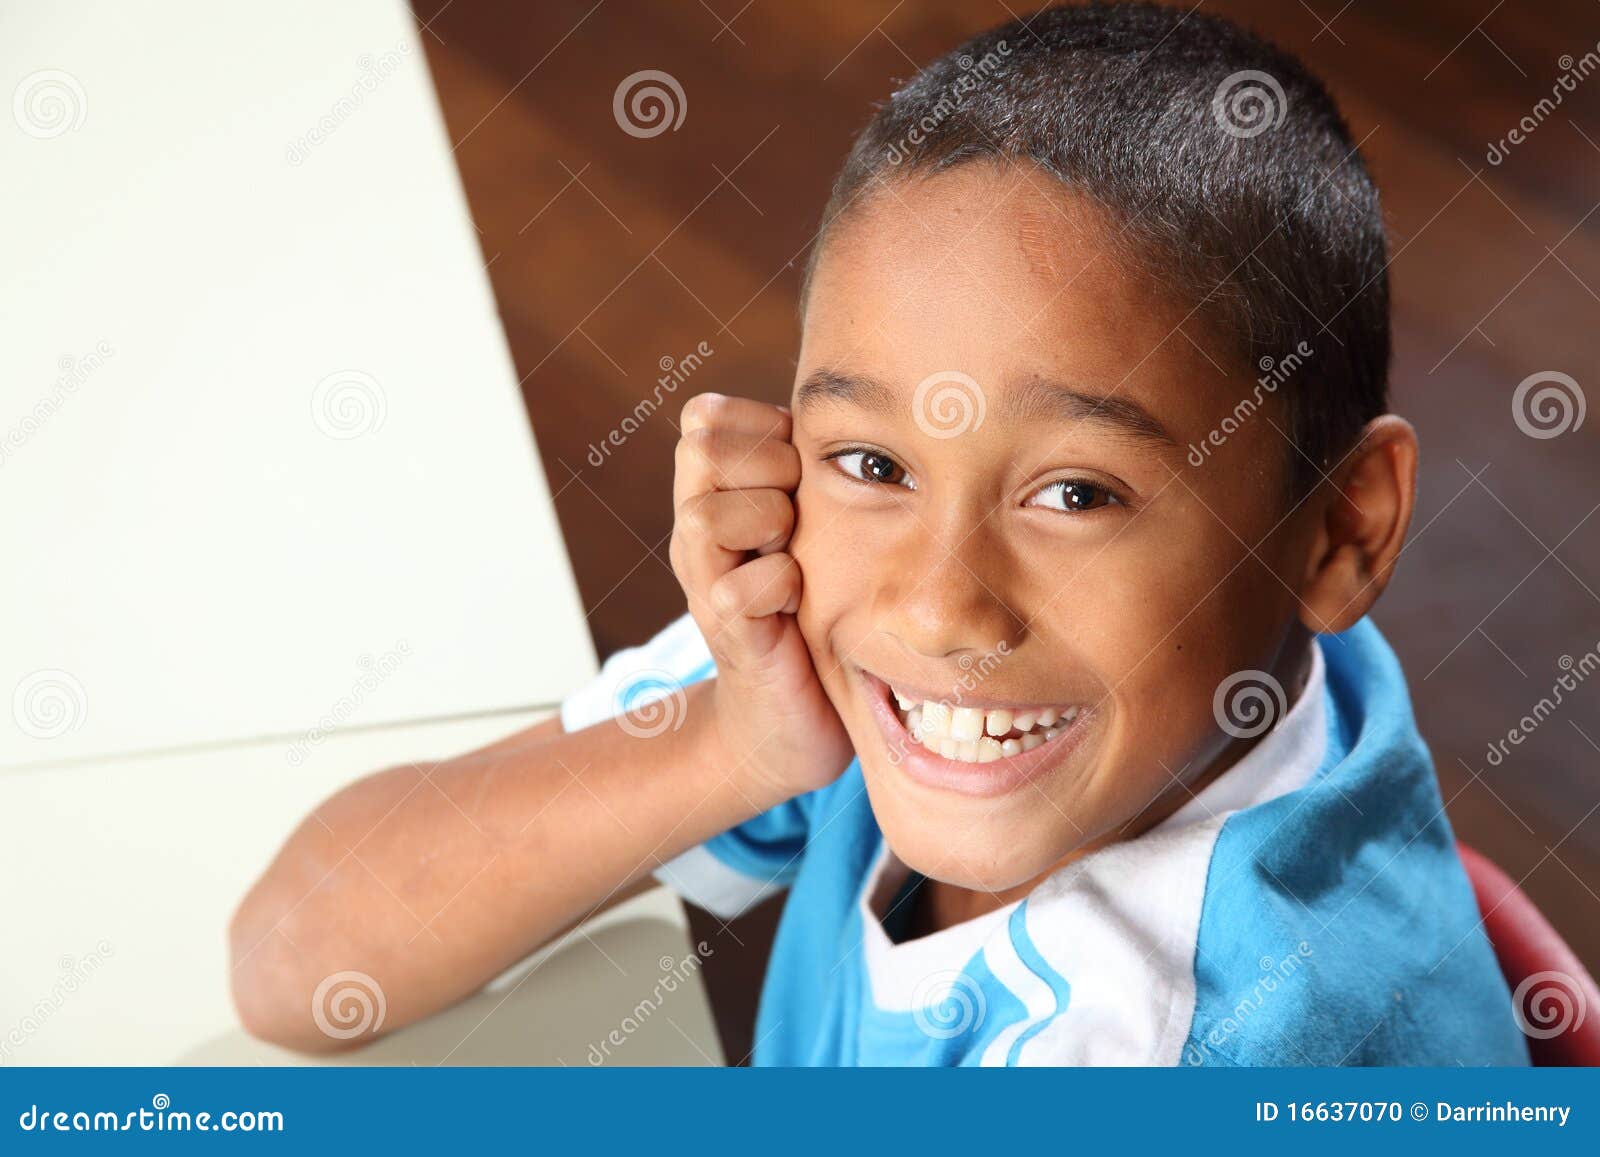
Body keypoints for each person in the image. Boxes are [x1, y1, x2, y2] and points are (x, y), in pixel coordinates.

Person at [229, 2, 1528, 1065]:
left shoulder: (1176, 1046)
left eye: (1075, 493)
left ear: (1339, 530)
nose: (938, 603)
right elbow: (296, 959)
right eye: (872, 460)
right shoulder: (863, 647)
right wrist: (735, 739)